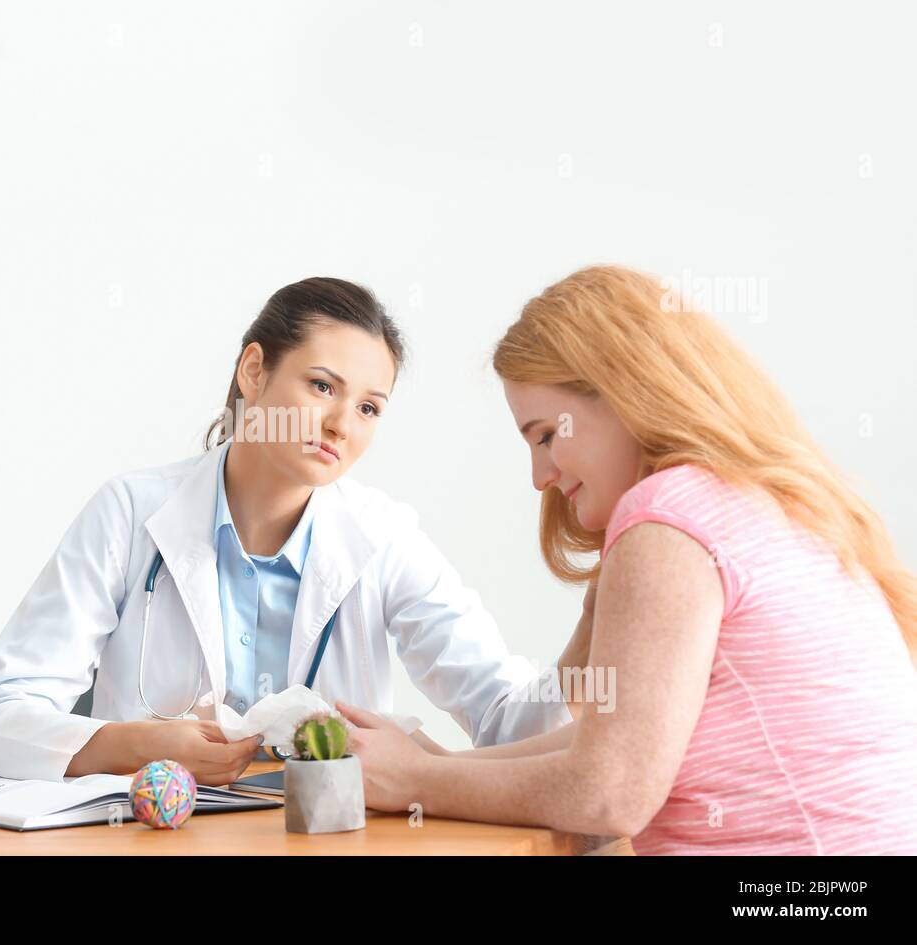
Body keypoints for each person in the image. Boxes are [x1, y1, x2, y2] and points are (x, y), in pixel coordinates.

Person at [341, 265, 917, 854]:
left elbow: (610, 792)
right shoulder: (769, 508)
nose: (540, 477)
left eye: (544, 436)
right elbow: (611, 741)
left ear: (626, 392)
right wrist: (444, 766)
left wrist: (415, 780)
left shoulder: (669, 514)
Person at [0, 277, 576, 785]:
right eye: (322, 386)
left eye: (368, 408)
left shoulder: (383, 538)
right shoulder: (130, 511)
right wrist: (134, 744)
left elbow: (507, 721)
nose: (340, 425)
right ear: (254, 370)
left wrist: (604, 616)